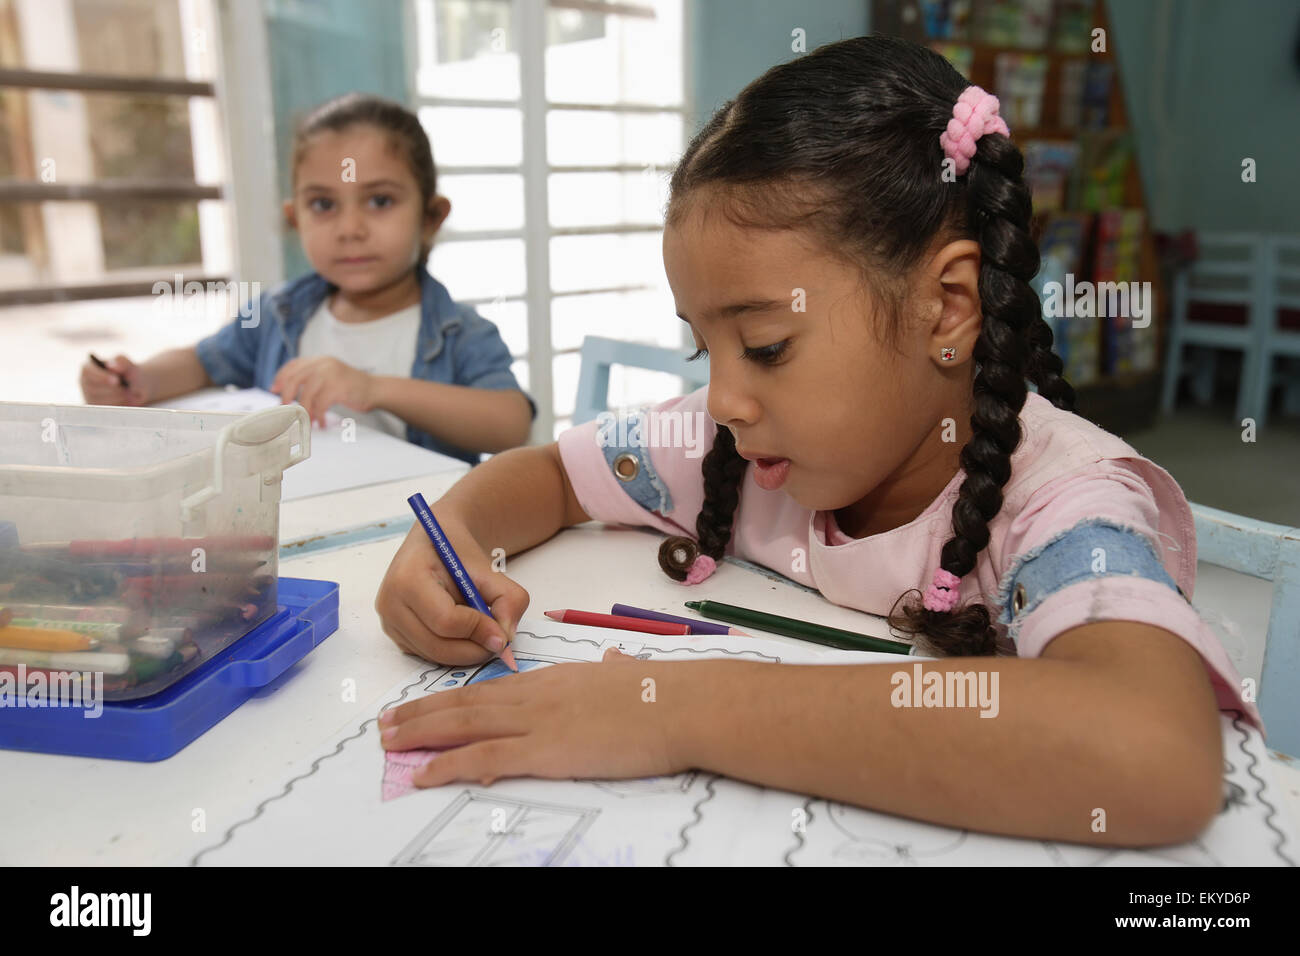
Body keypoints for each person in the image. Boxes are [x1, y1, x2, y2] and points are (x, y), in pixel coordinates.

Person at [372, 36, 1259, 844]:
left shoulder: (1065, 502)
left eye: (765, 346)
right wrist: (445, 541)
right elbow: (550, 477)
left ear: (947, 305)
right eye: (701, 344)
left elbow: (1148, 751)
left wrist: (673, 711)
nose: (722, 397)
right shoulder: (739, 446)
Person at [79, 93, 534, 465]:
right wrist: (141, 380)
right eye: (323, 205)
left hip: (417, 540)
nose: (349, 229)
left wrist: (374, 389)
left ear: (430, 217)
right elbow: (201, 362)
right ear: (295, 219)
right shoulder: (280, 314)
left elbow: (511, 424)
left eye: (379, 201)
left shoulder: (459, 331)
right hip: (299, 524)